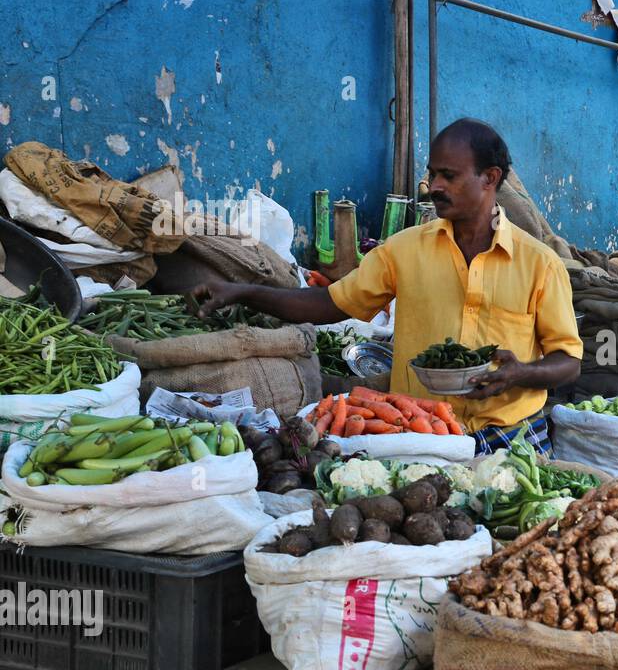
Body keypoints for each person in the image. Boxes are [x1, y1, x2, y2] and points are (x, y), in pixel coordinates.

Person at [194, 118, 583, 455]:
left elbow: (568, 361)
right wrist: (244, 291)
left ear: (490, 178)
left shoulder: (539, 263)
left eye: (449, 175)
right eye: (433, 173)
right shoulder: (404, 250)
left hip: (512, 435)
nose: (434, 186)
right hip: (420, 432)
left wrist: (519, 374)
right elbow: (329, 304)